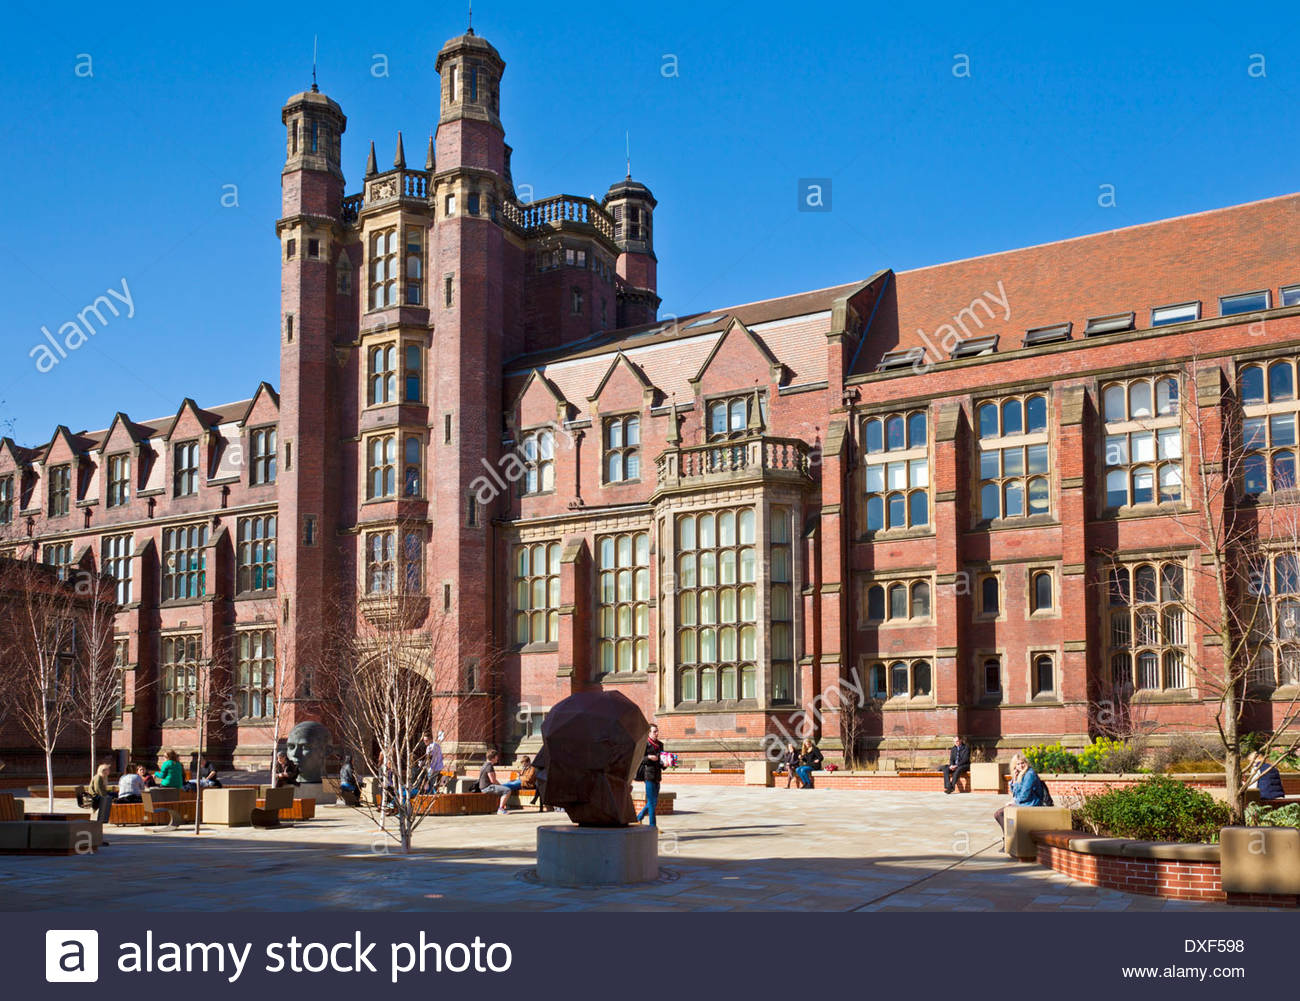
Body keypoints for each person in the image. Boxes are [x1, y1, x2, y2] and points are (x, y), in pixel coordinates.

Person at [994, 753, 1045, 832]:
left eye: (1022, 763)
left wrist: (1014, 802)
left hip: (1031, 803)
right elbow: (1015, 793)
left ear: (1026, 763)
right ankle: (1009, 835)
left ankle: (1009, 835)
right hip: (1025, 803)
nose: (1021, 766)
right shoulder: (1021, 774)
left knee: (1000, 814)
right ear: (1015, 766)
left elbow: (1025, 795)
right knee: (1002, 814)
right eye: (1018, 764)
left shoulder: (1029, 774)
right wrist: (1014, 779)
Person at [636, 724, 665, 826]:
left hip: (657, 776)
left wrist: (665, 764)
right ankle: (653, 826)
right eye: (654, 731)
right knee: (652, 803)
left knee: (654, 802)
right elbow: (638, 758)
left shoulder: (660, 744)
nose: (656, 733)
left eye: (657, 731)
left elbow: (661, 760)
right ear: (649, 733)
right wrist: (648, 757)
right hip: (648, 775)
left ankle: (638, 817)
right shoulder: (644, 744)